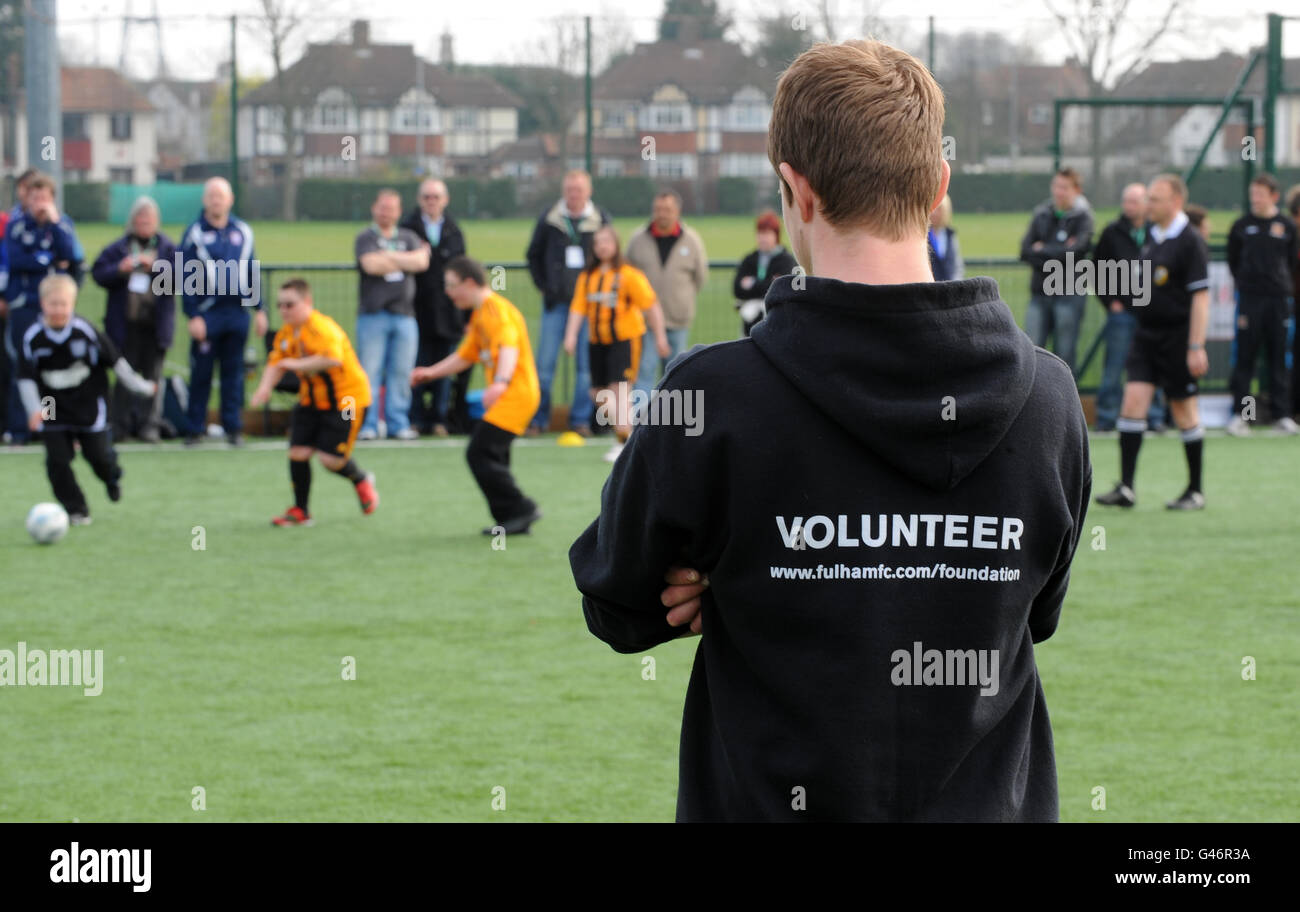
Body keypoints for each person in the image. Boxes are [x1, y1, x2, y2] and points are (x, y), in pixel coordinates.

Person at [569, 39, 1090, 822]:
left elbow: (617, 598)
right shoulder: (1049, 399)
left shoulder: (714, 395)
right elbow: (1033, 611)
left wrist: (735, 572)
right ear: (938, 184)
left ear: (795, 191)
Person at [1096, 174, 1210, 511]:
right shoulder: (1152, 237)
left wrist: (1195, 346)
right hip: (1146, 335)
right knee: (1133, 403)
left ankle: (1195, 490)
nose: (1149, 205)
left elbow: (1201, 299)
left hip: (1178, 338)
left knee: (1183, 410)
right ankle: (1127, 488)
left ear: (1175, 202)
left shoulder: (1190, 241)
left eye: (1155, 199)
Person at [410, 256, 542, 535]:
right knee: (494, 455)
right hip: (509, 394)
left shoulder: (496, 312)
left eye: (451, 285)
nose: (448, 292)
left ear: (470, 283)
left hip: (516, 395)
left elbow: (509, 348)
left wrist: (501, 382)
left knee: (479, 452)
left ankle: (521, 508)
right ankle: (511, 520)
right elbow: (465, 356)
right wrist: (430, 373)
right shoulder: (480, 315)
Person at [17, 275, 157, 525]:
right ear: (42, 304)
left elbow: (116, 363)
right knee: (56, 461)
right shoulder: (32, 337)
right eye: (53, 304)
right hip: (51, 404)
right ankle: (76, 509)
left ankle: (112, 476)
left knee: (98, 457)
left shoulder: (86, 331)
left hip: (88, 401)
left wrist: (142, 387)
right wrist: (34, 409)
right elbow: (26, 377)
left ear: (73, 304)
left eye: (63, 304)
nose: (58, 310)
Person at [251, 278, 378, 526]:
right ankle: (301, 511)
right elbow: (277, 362)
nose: (284, 310)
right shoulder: (287, 334)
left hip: (349, 399)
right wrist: (264, 388)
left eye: (290, 304)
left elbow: (333, 360)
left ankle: (361, 479)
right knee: (298, 453)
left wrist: (294, 364)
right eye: (280, 305)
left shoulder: (322, 328)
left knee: (330, 460)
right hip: (312, 400)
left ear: (307, 302)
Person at [563, 225, 669, 462]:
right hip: (596, 341)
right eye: (598, 242)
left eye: (607, 241)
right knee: (597, 393)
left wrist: (660, 337)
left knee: (619, 391)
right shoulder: (587, 277)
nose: (602, 246)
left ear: (616, 245)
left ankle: (624, 441)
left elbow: (650, 306)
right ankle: (631, 434)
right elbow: (578, 309)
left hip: (624, 340)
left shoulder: (628, 275)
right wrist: (570, 336)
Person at [179, 177, 267, 447]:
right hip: (208, 314)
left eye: (221, 196)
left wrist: (260, 309)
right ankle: (195, 428)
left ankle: (233, 428)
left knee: (234, 373)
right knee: (202, 372)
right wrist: (193, 314)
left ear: (230, 200)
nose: (217, 201)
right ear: (205, 200)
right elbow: (185, 275)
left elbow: (251, 270)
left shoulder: (243, 231)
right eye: (212, 196)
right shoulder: (194, 233)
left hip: (237, 313)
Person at [525, 169, 610, 436]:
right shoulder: (549, 219)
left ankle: (580, 421)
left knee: (586, 369)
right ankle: (538, 420)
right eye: (570, 190)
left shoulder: (600, 220)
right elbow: (533, 254)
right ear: (564, 191)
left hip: (589, 307)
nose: (574, 194)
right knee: (544, 367)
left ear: (589, 192)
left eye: (580, 190)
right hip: (556, 305)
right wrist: (545, 287)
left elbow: (610, 256)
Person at [3, 173, 85, 444]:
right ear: (26, 199)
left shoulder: (61, 225)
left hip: (56, 311)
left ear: (52, 199)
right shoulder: (16, 227)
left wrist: (55, 226)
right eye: (34, 197)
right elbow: (16, 260)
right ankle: (21, 429)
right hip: (26, 306)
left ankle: (53, 425)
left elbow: (70, 256)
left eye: (44, 198)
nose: (39, 202)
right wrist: (47, 259)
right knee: (23, 365)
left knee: (56, 367)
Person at [91, 196, 177, 443]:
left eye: (148, 218)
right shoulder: (118, 248)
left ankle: (149, 426)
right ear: (132, 221)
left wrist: (158, 268)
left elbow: (183, 278)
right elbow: (98, 273)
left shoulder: (168, 248)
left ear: (156, 222)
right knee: (124, 375)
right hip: (124, 325)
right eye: (139, 218)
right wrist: (121, 269)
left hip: (156, 325)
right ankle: (119, 426)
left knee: (153, 376)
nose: (143, 222)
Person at [1225, 173, 1298, 436]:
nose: (1255, 199)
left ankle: (1282, 415)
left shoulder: (1286, 227)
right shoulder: (1241, 226)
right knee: (1246, 358)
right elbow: (1234, 262)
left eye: (1260, 194)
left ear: (1273, 196)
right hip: (1249, 300)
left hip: (1279, 300)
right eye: (1253, 194)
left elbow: (1290, 263)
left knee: (1279, 358)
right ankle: (1242, 416)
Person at [354, 188, 430, 441]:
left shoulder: (408, 236)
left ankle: (398, 423)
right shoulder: (365, 237)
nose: (386, 213)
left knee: (401, 372)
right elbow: (371, 265)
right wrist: (404, 260)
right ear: (374, 209)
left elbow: (421, 262)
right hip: (373, 315)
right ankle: (369, 424)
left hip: (405, 315)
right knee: (369, 372)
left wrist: (388, 255)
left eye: (392, 208)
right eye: (382, 207)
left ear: (399, 212)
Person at [1092, 183, 1165, 432]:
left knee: (1154, 364)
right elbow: (1097, 270)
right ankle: (1106, 417)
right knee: (1114, 365)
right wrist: (1110, 301)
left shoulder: (1157, 232)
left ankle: (1155, 417)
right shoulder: (1112, 233)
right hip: (1122, 312)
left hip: (1152, 313)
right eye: (1126, 201)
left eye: (1134, 202)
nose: (1129, 207)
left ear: (1146, 204)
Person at [400, 178, 469, 436]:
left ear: (445, 200)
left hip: (449, 313)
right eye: (427, 197)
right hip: (416, 310)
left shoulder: (454, 230)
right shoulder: (407, 228)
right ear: (420, 200)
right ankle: (416, 418)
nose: (431, 201)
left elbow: (462, 269)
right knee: (416, 367)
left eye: (436, 197)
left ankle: (439, 420)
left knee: (445, 368)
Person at [625, 190, 709, 395]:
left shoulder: (691, 240)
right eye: (658, 209)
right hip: (645, 322)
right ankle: (640, 421)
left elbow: (700, 277)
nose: (662, 213)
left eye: (667, 209)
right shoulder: (638, 240)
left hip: (678, 319)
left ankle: (669, 422)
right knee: (644, 370)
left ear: (677, 211)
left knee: (674, 373)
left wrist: (681, 299)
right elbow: (627, 276)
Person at [1019, 167, 1094, 373]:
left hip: (1069, 295)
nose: (1058, 191)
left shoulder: (1084, 218)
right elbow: (1025, 251)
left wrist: (1043, 249)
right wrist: (1060, 251)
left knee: (1065, 354)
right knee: (1032, 351)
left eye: (1064, 187)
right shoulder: (1042, 213)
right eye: (1056, 186)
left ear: (1076, 190)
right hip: (1039, 293)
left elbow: (1076, 252)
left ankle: (1065, 403)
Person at [732, 210, 797, 336]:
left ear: (776, 235)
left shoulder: (786, 261)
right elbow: (737, 289)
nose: (763, 238)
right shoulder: (749, 259)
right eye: (760, 234)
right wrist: (767, 283)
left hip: (776, 322)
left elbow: (779, 289)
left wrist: (753, 283)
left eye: (767, 234)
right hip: (749, 325)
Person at [927, 194, 964, 281]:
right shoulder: (923, 237)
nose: (934, 213)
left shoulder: (950, 235)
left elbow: (957, 265)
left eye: (939, 209)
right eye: (932, 208)